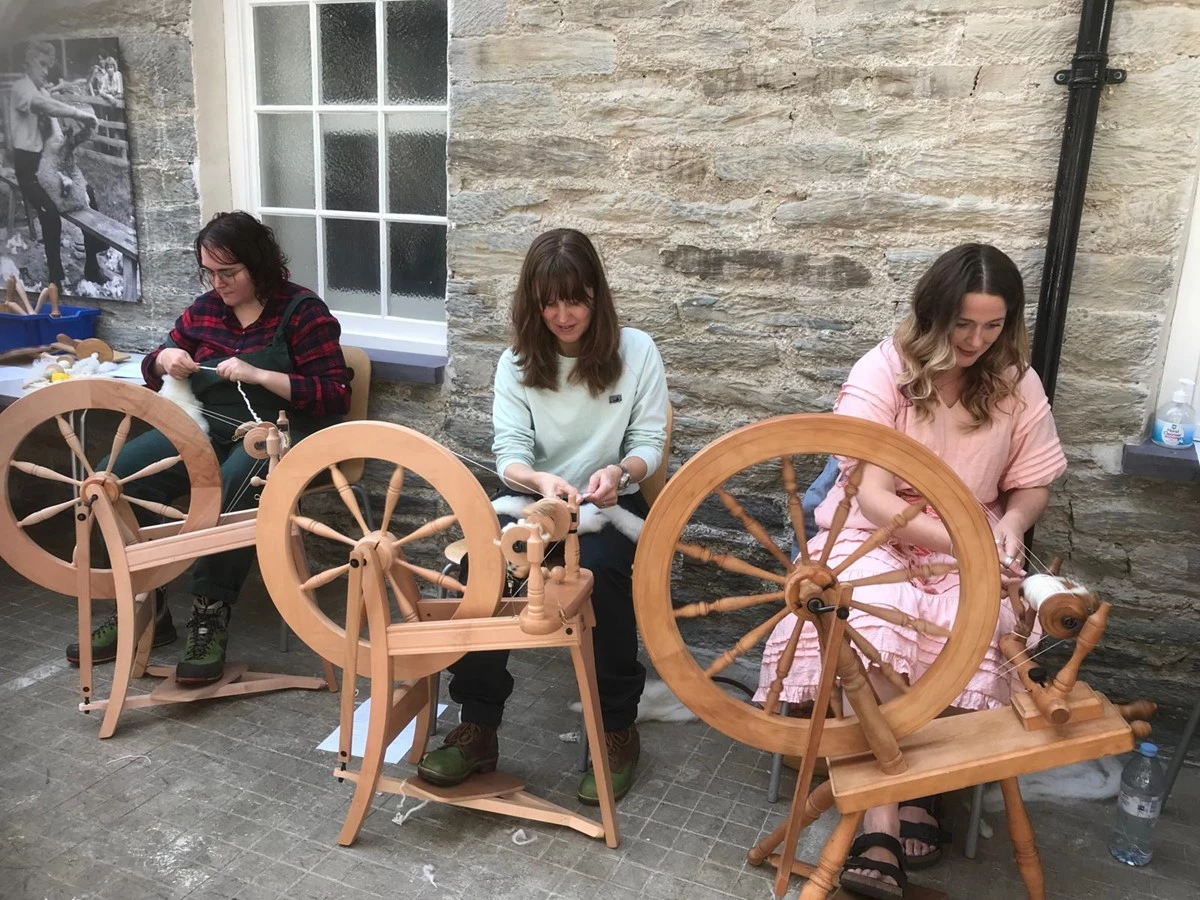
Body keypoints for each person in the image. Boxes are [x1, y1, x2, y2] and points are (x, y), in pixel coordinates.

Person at [755, 244, 1066, 899]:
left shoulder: (1015, 381)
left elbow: (1032, 482)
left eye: (992, 325)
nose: (977, 340)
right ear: (933, 314)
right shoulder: (885, 368)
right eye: (963, 324)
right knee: (862, 618)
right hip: (877, 528)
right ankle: (883, 822)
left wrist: (1009, 526)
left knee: (968, 621)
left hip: (972, 532)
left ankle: (921, 786)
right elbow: (871, 496)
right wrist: (969, 540)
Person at [417, 228, 669, 805]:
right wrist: (539, 482)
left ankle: (616, 728)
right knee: (480, 575)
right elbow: (510, 455)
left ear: (596, 296)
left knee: (600, 576)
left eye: (574, 299)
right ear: (532, 302)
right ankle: (477, 725)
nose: (562, 314)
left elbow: (650, 441)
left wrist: (620, 474)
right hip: (534, 497)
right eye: (548, 301)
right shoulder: (517, 362)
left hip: (610, 499)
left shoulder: (637, 352)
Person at [66, 212, 352, 685]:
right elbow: (155, 362)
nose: (217, 283)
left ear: (258, 266)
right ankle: (144, 603)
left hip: (279, 435)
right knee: (110, 478)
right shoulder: (204, 311)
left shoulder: (303, 312)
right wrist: (164, 358)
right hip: (206, 430)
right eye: (210, 273)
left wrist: (260, 375)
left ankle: (209, 611)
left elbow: (334, 395)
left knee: (240, 479)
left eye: (228, 273)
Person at [9, 42, 107, 290]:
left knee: (90, 195)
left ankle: (92, 264)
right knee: (50, 215)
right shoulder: (21, 88)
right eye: (41, 64)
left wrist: (77, 133)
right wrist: (77, 113)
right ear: (26, 63)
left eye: (48, 66)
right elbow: (42, 106)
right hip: (27, 166)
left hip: (47, 160)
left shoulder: (41, 90)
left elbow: (54, 130)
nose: (45, 70)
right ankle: (56, 278)